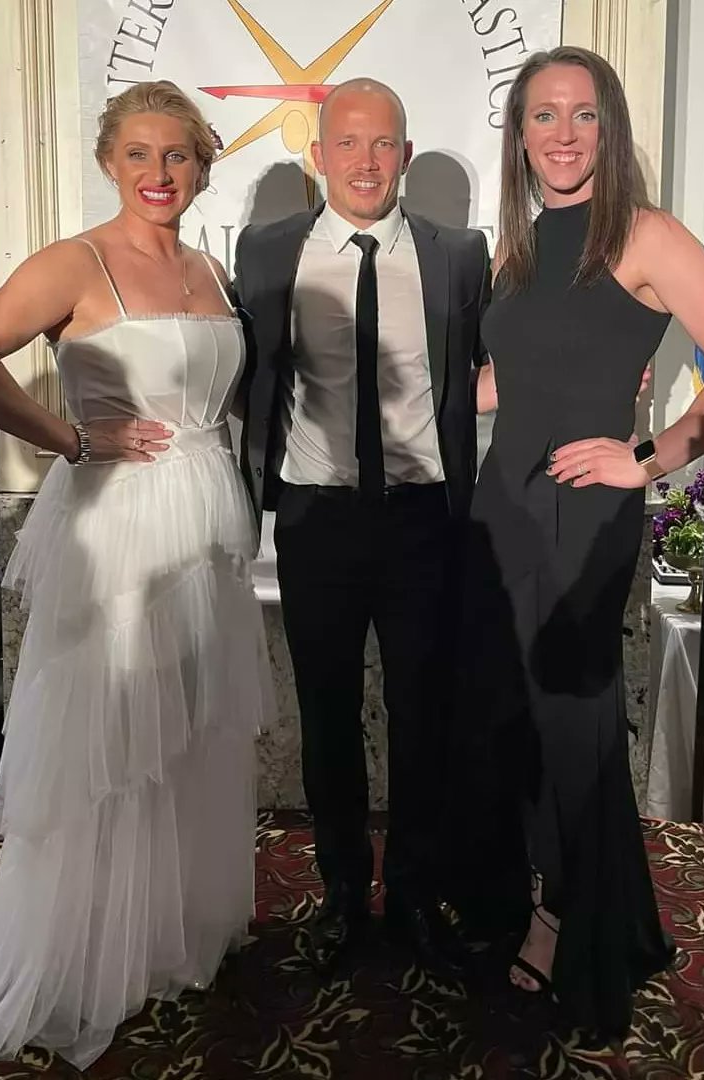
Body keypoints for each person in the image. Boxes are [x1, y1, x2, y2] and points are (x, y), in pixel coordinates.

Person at [0, 81, 273, 1068]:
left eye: (178, 155)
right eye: (139, 155)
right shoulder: (73, 262)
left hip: (208, 529)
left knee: (189, 734)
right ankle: (87, 958)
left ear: (202, 165)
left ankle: (169, 934)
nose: (159, 174)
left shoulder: (209, 268)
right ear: (109, 162)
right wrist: (71, 437)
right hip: (120, 534)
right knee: (111, 744)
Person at [455, 46, 704, 1040]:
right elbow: (506, 386)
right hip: (502, 509)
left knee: (575, 731)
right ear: (519, 136)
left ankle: (571, 924)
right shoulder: (516, 249)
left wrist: (651, 456)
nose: (563, 134)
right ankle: (584, 909)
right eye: (544, 115)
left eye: (584, 114)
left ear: (610, 129)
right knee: (514, 725)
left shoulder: (643, 234)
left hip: (584, 515)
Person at [234, 78, 490, 973]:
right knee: (328, 716)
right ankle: (343, 891)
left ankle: (414, 893)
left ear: (406, 155)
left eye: (383, 143)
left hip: (427, 518)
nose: (366, 162)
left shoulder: (462, 255)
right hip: (318, 518)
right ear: (318, 155)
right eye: (347, 142)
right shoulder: (266, 250)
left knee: (424, 715)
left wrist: (593, 382)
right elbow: (241, 367)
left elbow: (493, 364)